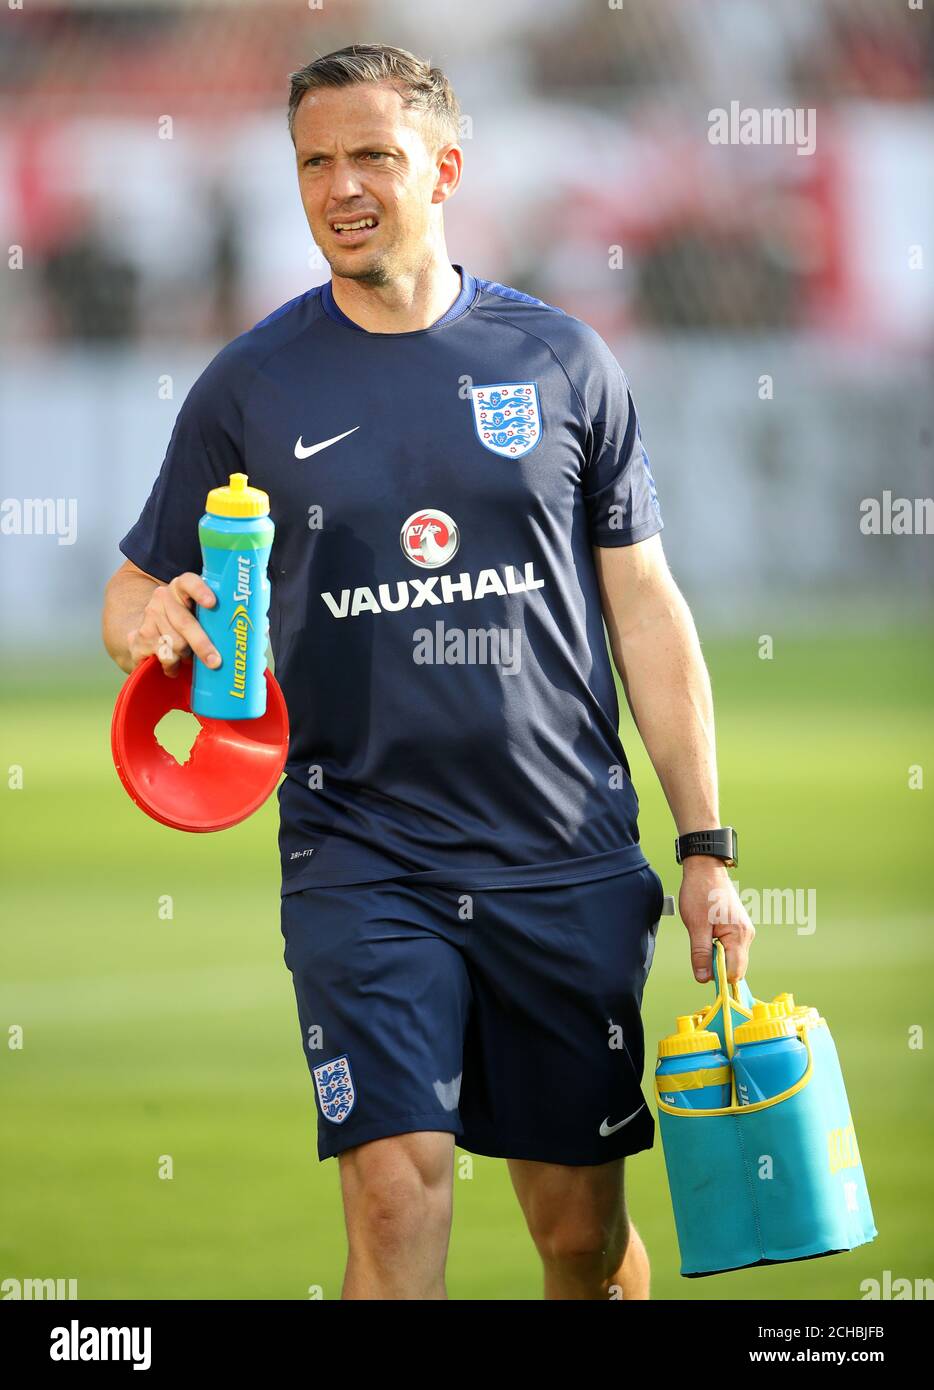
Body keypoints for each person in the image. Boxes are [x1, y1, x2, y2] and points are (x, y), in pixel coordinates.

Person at [102, 43, 754, 1301]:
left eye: (371, 157)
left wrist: (707, 851)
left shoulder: (562, 362)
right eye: (314, 161)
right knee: (395, 1195)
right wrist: (148, 626)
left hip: (560, 851)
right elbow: (135, 583)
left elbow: (646, 609)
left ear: (444, 167)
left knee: (576, 1239)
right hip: (362, 853)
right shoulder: (251, 383)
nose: (339, 187)